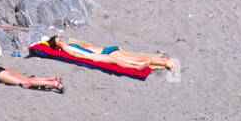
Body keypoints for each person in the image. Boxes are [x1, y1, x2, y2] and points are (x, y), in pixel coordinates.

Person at [45, 36, 175, 71]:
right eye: (59, 41)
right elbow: (76, 54)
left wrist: (89, 56)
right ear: (57, 46)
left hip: (107, 51)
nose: (61, 40)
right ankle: (164, 61)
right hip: (107, 50)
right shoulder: (69, 47)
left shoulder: (69, 47)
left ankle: (165, 62)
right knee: (137, 57)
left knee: (136, 59)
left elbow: (76, 54)